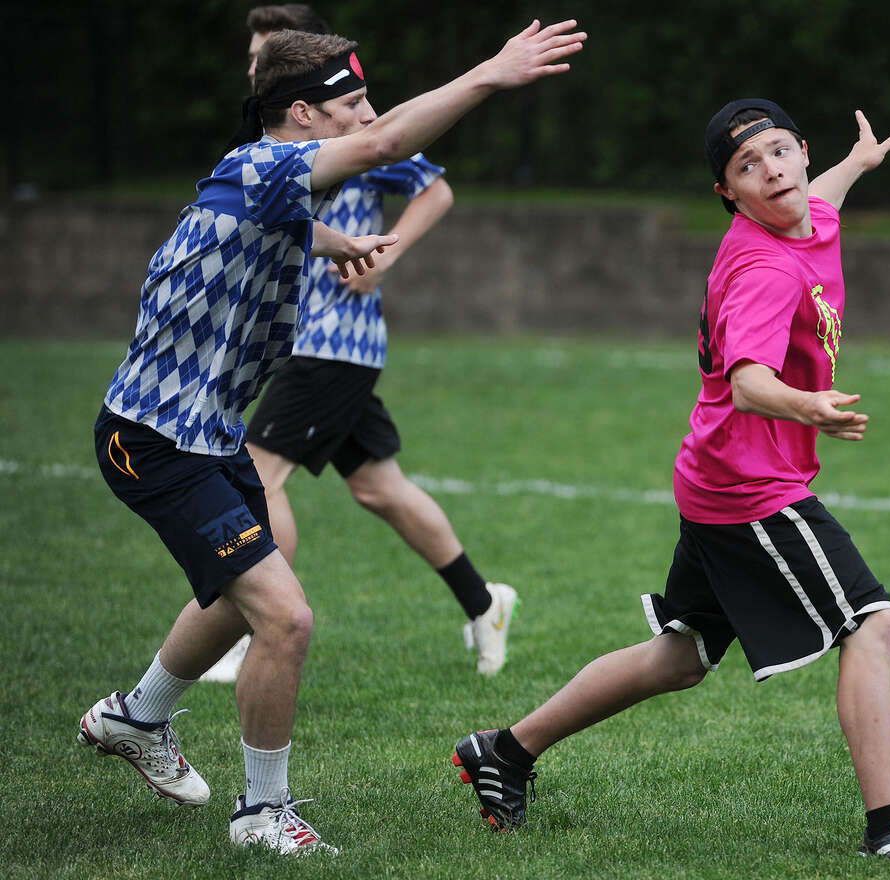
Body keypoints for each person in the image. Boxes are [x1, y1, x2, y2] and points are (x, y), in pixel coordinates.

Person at [78, 19, 586, 855]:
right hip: (153, 436)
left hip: (205, 436)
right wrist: (491, 73)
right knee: (286, 616)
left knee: (245, 594)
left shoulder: (266, 182)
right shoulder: (269, 161)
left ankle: (137, 716)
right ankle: (262, 814)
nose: (367, 115)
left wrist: (333, 240)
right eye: (351, 101)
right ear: (302, 115)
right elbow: (388, 141)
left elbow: (265, 217)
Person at [451, 100, 890, 866]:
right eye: (746, 168)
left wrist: (857, 163)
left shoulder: (806, 211)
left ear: (800, 150)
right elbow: (752, 380)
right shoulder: (763, 265)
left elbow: (816, 194)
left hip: (715, 474)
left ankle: (505, 752)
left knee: (682, 656)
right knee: (873, 623)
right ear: (729, 194)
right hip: (749, 487)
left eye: (779, 152)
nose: (772, 172)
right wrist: (809, 407)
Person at [203, 5, 516, 685]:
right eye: (252, 58)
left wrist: (386, 256)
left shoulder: (349, 131)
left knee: (258, 476)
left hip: (331, 339)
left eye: (265, 56)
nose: (253, 68)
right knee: (380, 488)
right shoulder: (261, 145)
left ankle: (257, 624)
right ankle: (484, 601)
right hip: (299, 341)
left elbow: (434, 188)